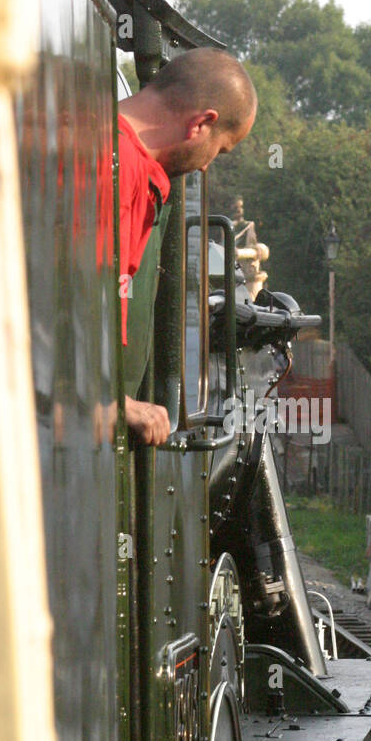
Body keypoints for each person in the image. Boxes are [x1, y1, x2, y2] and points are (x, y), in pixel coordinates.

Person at [115, 49, 257, 445]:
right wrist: (110, 403)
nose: (207, 165)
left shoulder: (123, 160)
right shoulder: (119, 165)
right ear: (202, 124)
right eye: (220, 149)